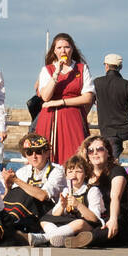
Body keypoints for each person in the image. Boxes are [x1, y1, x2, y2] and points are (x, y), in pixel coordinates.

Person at [32, 33, 95, 165]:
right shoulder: (47, 70)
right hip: (50, 119)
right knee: (47, 155)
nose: (63, 51)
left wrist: (62, 102)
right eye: (59, 48)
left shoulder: (82, 69)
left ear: (72, 49)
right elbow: (46, 96)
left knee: (75, 155)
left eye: (66, 47)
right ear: (54, 51)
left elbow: (88, 97)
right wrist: (56, 73)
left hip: (73, 118)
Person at [33, 155, 103, 248]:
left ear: (85, 174)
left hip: (87, 225)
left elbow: (94, 218)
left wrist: (78, 205)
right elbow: (55, 214)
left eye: (78, 172)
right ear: (66, 175)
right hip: (69, 224)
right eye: (70, 172)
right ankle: (60, 239)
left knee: (79, 223)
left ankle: (45, 237)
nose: (74, 175)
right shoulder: (67, 190)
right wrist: (62, 205)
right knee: (44, 220)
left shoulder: (92, 190)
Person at [83, 134, 128, 248]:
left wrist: (113, 220)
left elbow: (115, 198)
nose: (95, 153)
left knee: (99, 233)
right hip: (93, 220)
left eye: (100, 149)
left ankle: (79, 239)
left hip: (116, 222)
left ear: (108, 153)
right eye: (91, 151)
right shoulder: (85, 175)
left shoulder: (117, 171)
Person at [94, 53, 128, 160]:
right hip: (127, 129)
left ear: (106, 66)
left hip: (108, 130)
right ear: (120, 67)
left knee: (111, 159)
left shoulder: (97, 83)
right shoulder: (126, 84)